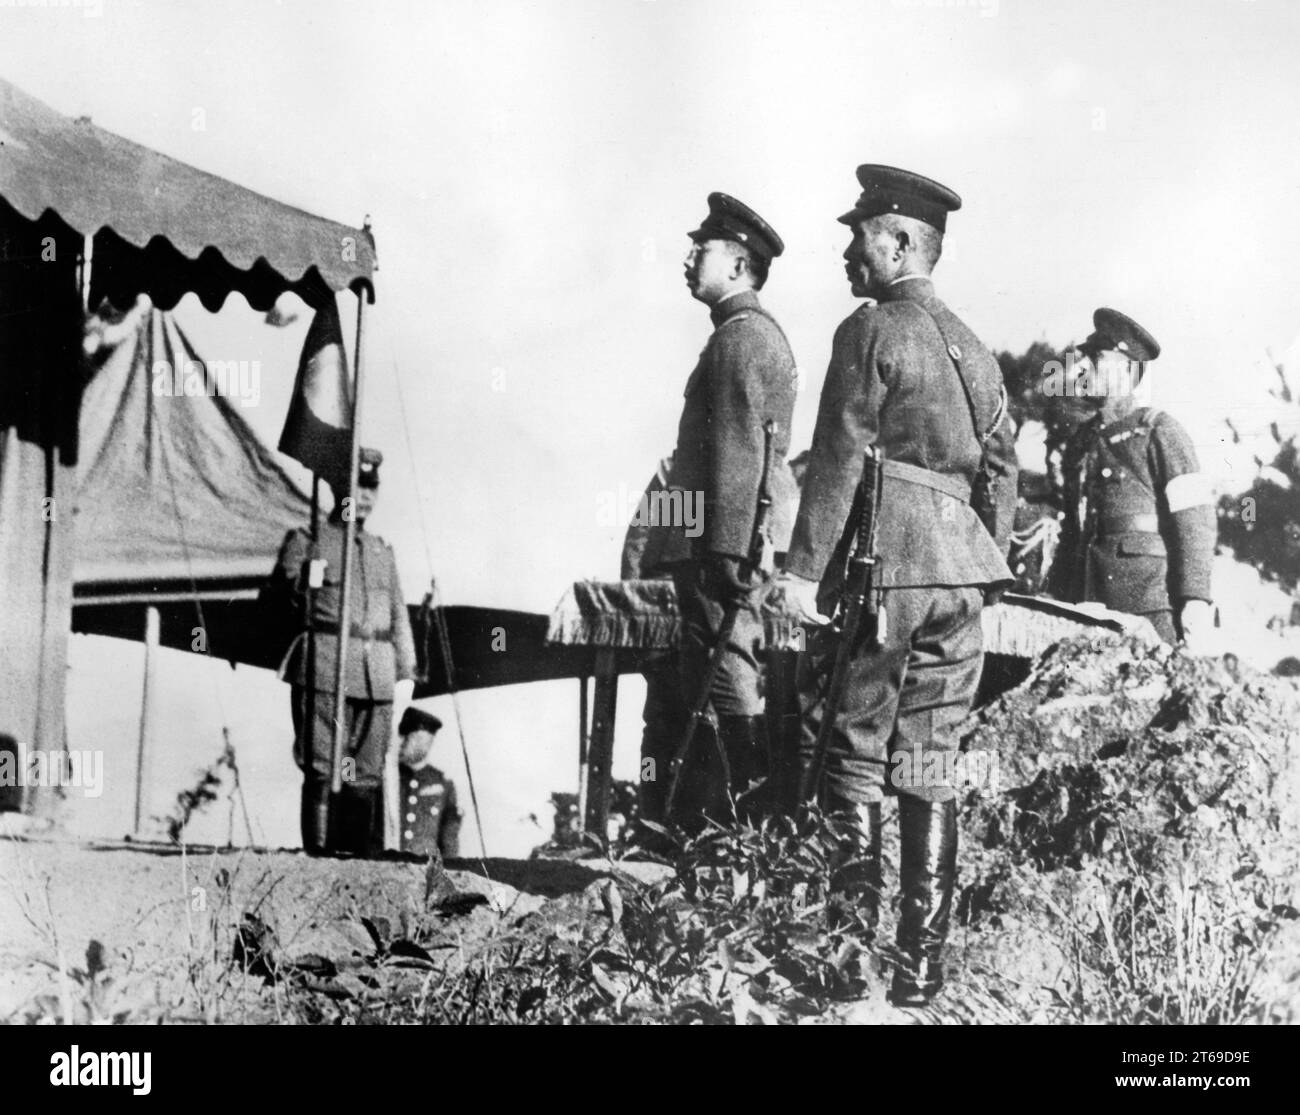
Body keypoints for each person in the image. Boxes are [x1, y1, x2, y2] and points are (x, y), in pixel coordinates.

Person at [773, 165, 1018, 1006]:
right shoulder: (978, 351)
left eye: (861, 234)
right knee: (928, 755)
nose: (847, 250)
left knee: (854, 747)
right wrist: (981, 565)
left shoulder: (871, 329)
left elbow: (840, 454)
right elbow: (1001, 472)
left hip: (891, 568)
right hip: (962, 578)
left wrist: (803, 572)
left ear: (904, 242)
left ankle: (842, 961)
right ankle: (920, 969)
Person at [657, 192, 798, 825]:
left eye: (702, 249)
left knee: (725, 688)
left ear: (739, 265)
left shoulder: (742, 341)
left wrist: (721, 552)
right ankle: (723, 838)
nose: (688, 258)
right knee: (710, 692)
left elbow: (741, 459)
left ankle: (746, 836)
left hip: (721, 553)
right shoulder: (733, 338)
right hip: (709, 547)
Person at [264, 447, 416, 856]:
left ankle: (354, 857)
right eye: (356, 488)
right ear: (337, 491)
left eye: (371, 489)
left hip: (377, 673)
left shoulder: (382, 550)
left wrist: (406, 670)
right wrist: (307, 579)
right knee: (322, 762)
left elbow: (398, 612)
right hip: (327, 665)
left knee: (365, 767)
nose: (364, 497)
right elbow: (283, 602)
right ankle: (320, 855)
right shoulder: (308, 540)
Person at [1047, 309, 1215, 647]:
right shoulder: (1080, 442)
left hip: (1147, 610)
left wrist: (1195, 598)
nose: (1083, 366)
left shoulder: (1159, 431)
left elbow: (1193, 521)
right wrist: (1056, 596)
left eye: (1096, 357)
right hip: (1085, 607)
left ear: (1125, 366)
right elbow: (1072, 531)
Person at [396, 707, 461, 859]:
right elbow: (350, 781)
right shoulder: (387, 779)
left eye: (408, 738)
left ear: (425, 741)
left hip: (425, 870)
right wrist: (348, 760)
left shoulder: (443, 783)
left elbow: (449, 839)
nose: (401, 743)